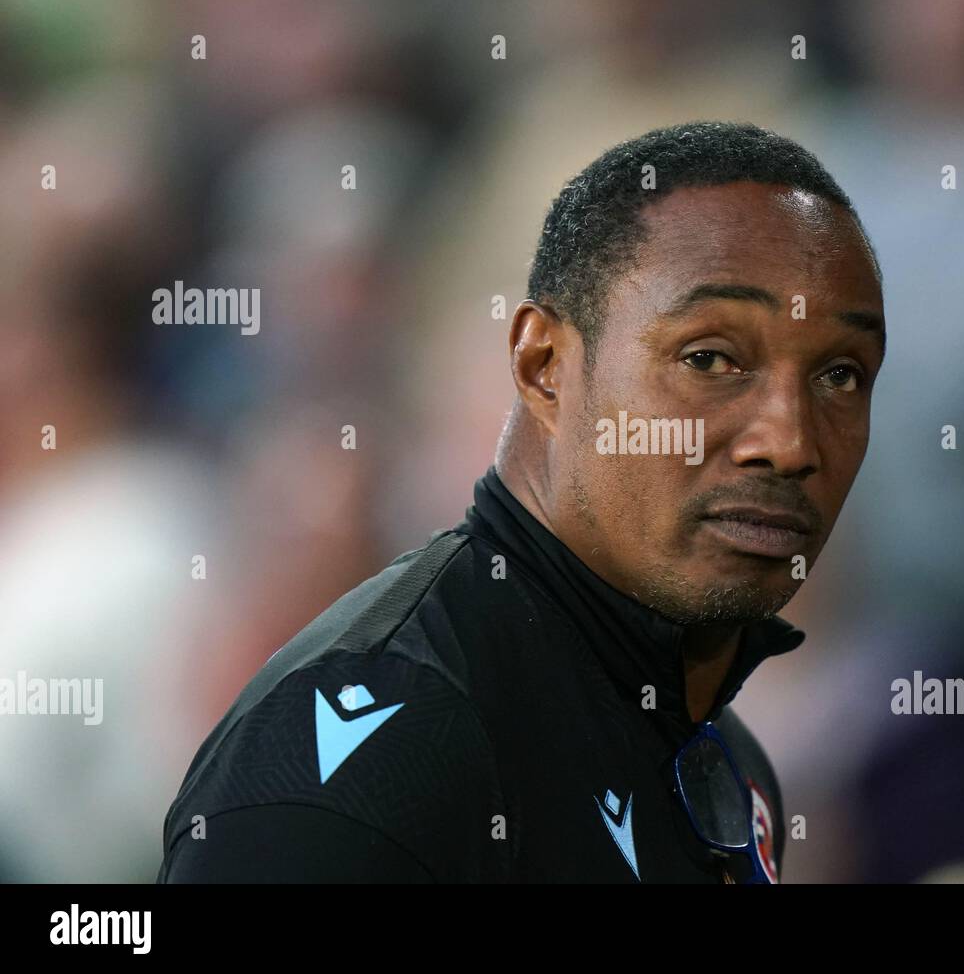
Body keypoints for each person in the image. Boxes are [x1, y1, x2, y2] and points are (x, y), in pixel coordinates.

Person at [157, 121, 886, 883]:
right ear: (545, 368)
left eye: (840, 373)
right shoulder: (367, 767)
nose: (790, 440)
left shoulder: (728, 761)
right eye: (709, 358)